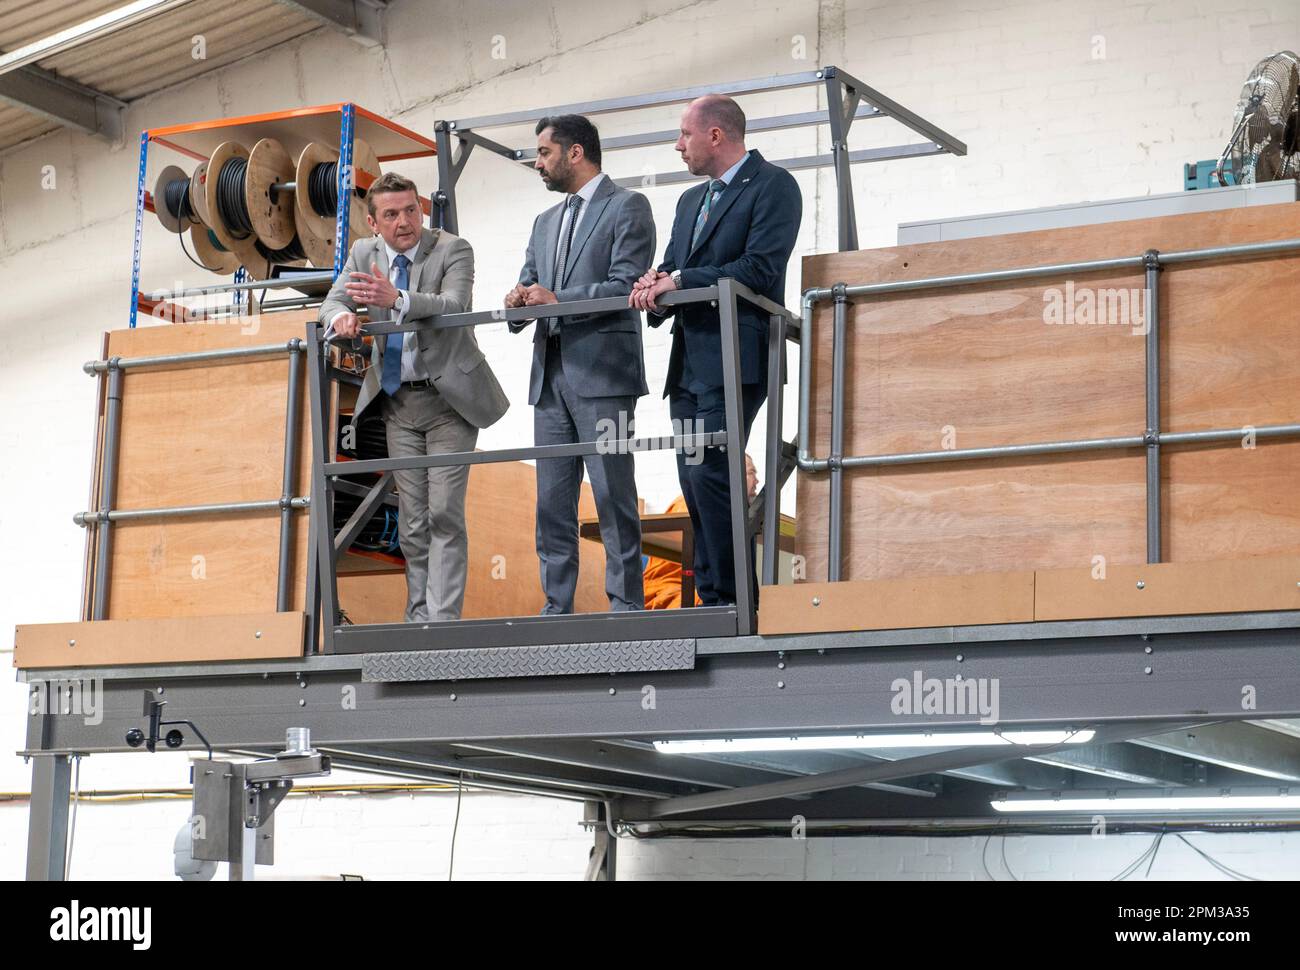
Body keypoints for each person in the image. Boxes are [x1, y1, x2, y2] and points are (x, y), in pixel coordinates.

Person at [629, 94, 801, 607]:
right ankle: (715, 597)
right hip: (690, 361)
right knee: (694, 476)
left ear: (715, 135)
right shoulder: (689, 202)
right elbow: (674, 269)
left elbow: (758, 269)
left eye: (684, 135)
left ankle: (730, 600)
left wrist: (678, 278)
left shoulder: (774, 186)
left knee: (710, 472)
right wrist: (654, 288)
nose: (678, 146)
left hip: (738, 357)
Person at [320, 171, 509, 622]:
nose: (405, 221)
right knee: (413, 519)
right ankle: (418, 618)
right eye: (392, 214)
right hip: (397, 404)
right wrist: (342, 317)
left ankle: (442, 623)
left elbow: (454, 305)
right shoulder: (363, 253)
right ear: (372, 222)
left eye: (411, 210)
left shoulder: (451, 248)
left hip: (449, 402)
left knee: (444, 512)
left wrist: (398, 297)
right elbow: (331, 302)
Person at [506, 114, 656, 615]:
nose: (537, 163)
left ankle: (626, 603)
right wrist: (519, 300)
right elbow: (532, 283)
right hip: (548, 379)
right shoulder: (543, 223)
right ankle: (556, 606)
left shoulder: (627, 206)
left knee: (613, 493)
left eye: (544, 153)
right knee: (551, 502)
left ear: (575, 153)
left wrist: (557, 297)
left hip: (604, 376)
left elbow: (626, 285)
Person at [644, 455, 758, 609]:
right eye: (751, 473)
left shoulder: (730, 510)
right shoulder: (687, 506)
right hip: (671, 591)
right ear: (732, 475)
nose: (756, 482)